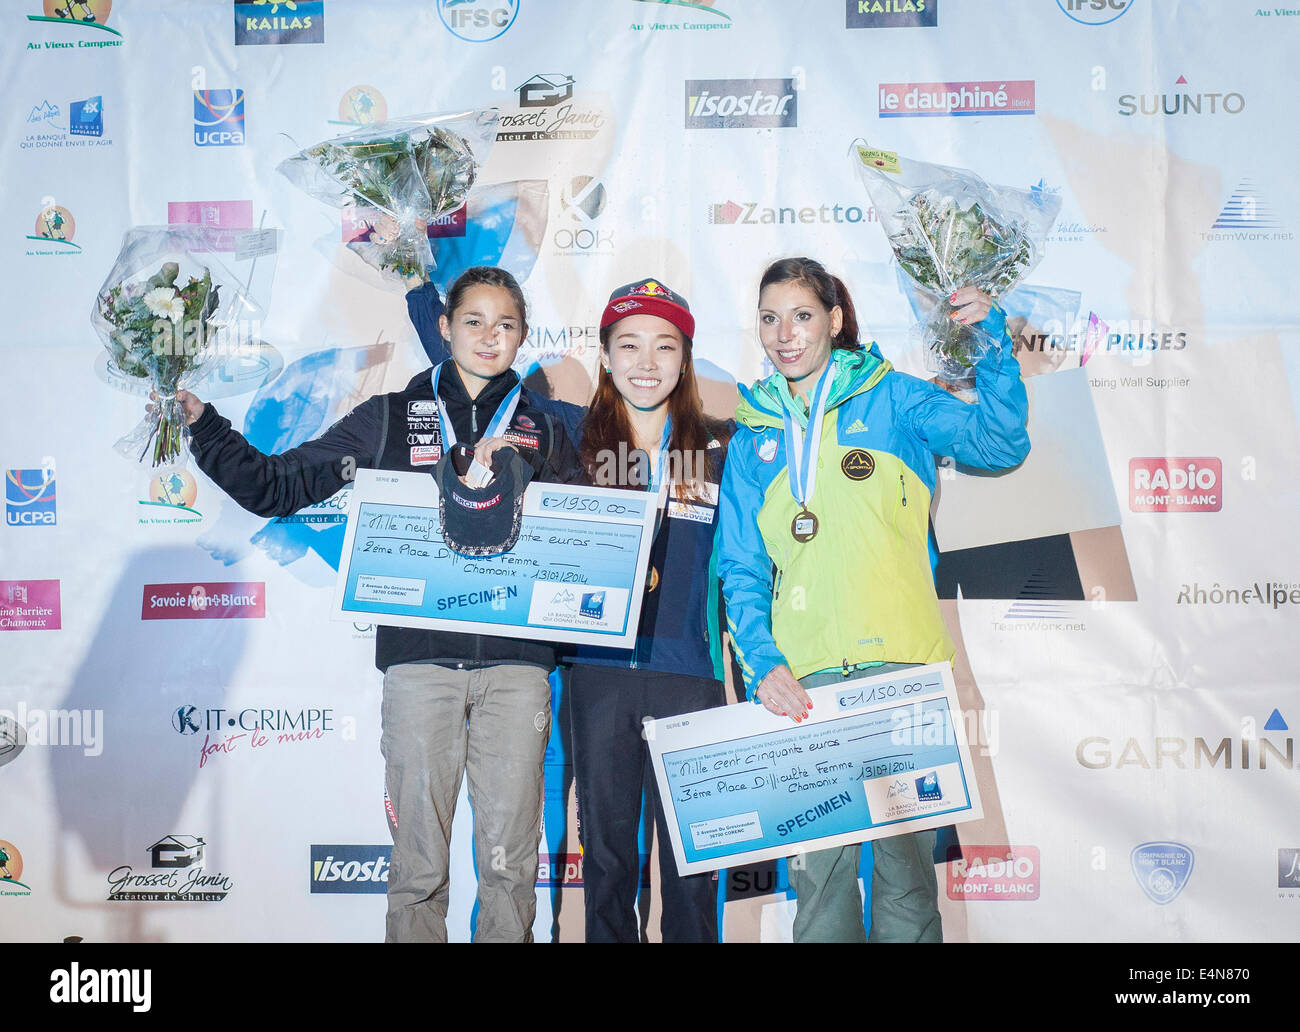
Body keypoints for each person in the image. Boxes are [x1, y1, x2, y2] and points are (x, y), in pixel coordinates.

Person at [163, 266, 582, 943]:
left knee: (510, 868)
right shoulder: (389, 420)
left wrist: (534, 471)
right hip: (420, 669)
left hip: (517, 670)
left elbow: (584, 539)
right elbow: (275, 487)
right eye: (473, 321)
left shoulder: (550, 430)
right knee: (419, 869)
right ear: (444, 328)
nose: (488, 336)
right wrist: (204, 427)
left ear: (522, 337)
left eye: (505, 325)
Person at [716, 256, 1030, 943]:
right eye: (769, 319)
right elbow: (739, 568)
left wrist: (992, 345)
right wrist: (764, 662)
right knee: (819, 896)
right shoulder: (753, 436)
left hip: (905, 678)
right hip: (804, 687)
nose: (784, 334)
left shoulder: (896, 399)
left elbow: (999, 443)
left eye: (801, 316)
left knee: (908, 891)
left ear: (833, 319)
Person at [410, 277, 733, 942]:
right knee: (611, 867)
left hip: (691, 678)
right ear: (606, 355)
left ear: (685, 358)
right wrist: (419, 281)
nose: (647, 362)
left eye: (665, 346)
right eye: (630, 345)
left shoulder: (721, 444)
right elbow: (475, 373)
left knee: (693, 871)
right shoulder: (569, 433)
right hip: (597, 677)